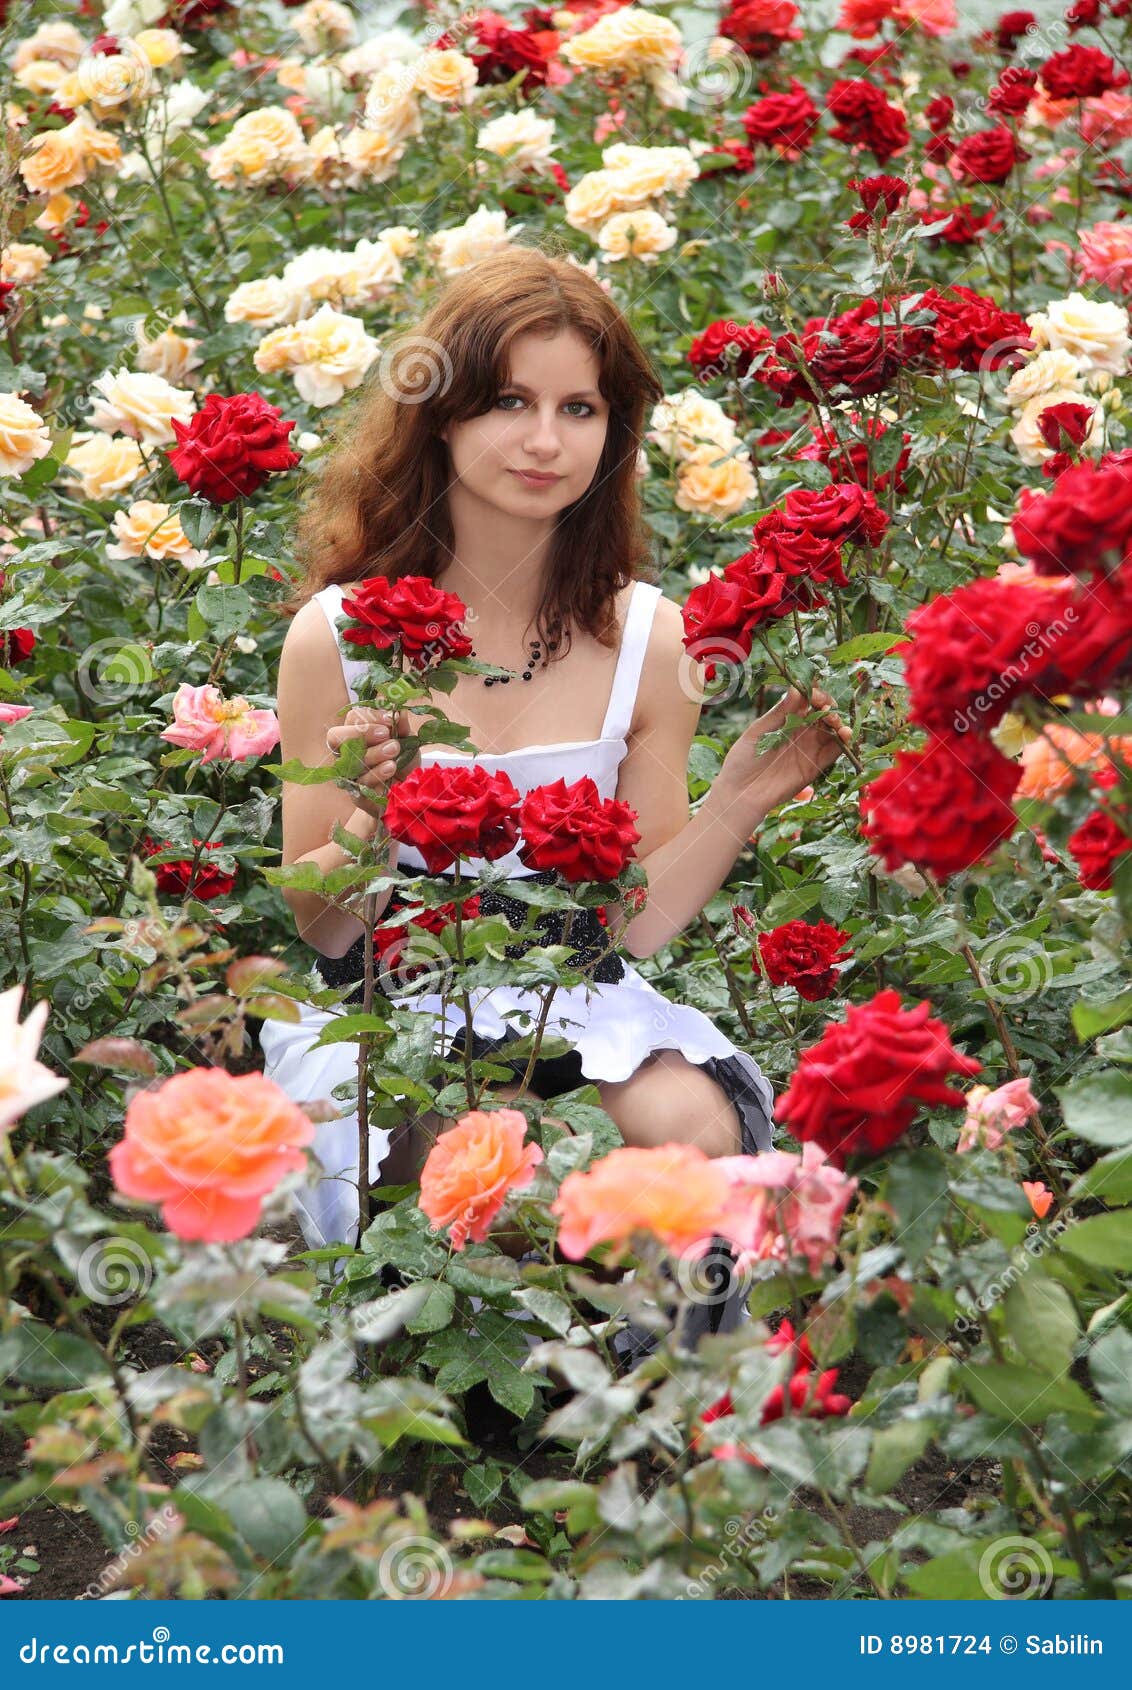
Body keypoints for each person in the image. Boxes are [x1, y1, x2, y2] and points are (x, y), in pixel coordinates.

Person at [259, 244, 854, 1307]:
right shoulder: (338, 638)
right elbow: (317, 922)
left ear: (612, 431)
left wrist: (739, 803)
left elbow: (628, 927)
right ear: (438, 415)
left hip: (579, 994)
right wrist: (371, 804)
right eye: (507, 402)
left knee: (690, 1129)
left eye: (579, 408)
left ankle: (674, 1393)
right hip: (392, 1012)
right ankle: (499, 1386)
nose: (544, 441)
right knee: (499, 1146)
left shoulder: (647, 637)